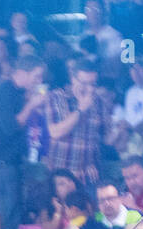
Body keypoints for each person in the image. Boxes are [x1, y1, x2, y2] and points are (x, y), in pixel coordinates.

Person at [45, 57, 111, 185]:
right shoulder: (56, 97)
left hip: (88, 177)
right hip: (61, 176)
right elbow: (55, 132)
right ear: (73, 79)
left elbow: (106, 138)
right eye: (85, 83)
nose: (90, 89)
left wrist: (121, 131)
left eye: (93, 84)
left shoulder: (99, 101)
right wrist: (81, 109)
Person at [0, 54, 29, 229]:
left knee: (11, 216)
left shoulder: (14, 92)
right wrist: (31, 105)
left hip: (7, 164)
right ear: (24, 73)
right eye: (36, 76)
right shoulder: (4, 91)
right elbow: (9, 127)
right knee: (5, 218)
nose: (38, 81)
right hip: (1, 166)